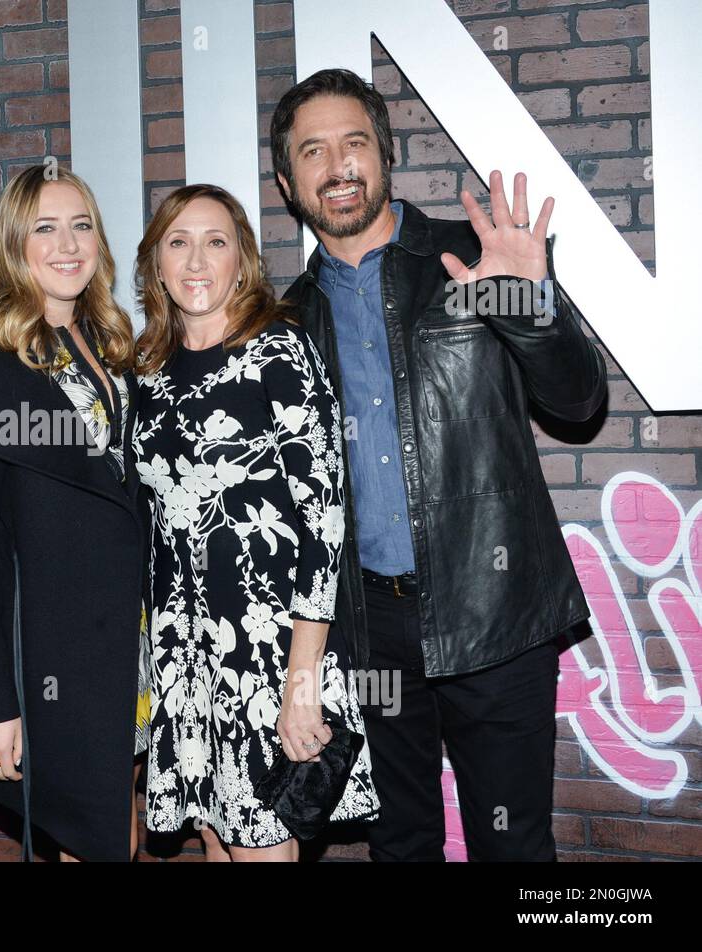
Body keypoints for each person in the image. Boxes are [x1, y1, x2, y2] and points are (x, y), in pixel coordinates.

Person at [269, 68, 607, 861]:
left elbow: (578, 399)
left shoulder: (471, 262)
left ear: (384, 154)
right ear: (289, 182)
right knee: (402, 844)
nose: (338, 164)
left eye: (354, 142)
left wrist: (529, 304)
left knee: (514, 846)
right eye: (313, 151)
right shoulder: (285, 321)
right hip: (368, 627)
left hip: (495, 608)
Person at [133, 184, 380, 862]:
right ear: (155, 262)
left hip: (269, 660)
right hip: (184, 661)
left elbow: (325, 522)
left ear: (242, 261)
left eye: (216, 242)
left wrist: (303, 682)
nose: (196, 260)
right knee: (215, 845)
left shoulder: (278, 352)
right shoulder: (146, 373)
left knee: (262, 849)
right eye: (177, 242)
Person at [0, 165, 147, 862]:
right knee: (91, 837)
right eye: (45, 228)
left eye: (81, 225)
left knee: (122, 828)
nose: (67, 243)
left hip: (128, 651)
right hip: (50, 662)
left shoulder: (116, 351)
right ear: (14, 246)